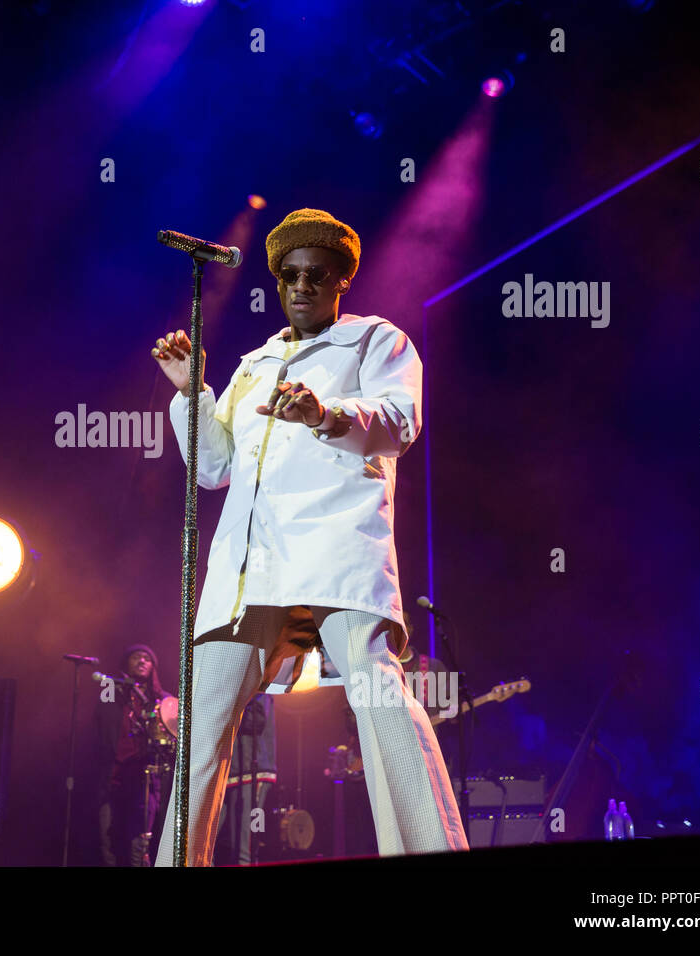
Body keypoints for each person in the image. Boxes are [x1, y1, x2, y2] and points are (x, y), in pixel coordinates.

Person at [150, 208, 468, 866]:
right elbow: (213, 468)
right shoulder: (255, 363)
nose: (300, 286)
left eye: (314, 274)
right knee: (201, 730)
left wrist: (325, 412)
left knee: (381, 700)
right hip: (252, 567)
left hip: (336, 552)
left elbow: (399, 421)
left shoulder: (377, 342)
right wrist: (192, 394)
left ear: (340, 279)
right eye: (287, 276)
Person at [94, 644, 174, 866]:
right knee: (106, 837)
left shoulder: (163, 702)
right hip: (113, 776)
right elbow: (101, 719)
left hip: (145, 780)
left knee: (139, 840)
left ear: (154, 667)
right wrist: (119, 689)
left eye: (147, 658)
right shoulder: (112, 691)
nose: (142, 661)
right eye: (136, 657)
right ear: (125, 663)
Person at [214, 693, 275, 866]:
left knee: (244, 849)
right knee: (204, 843)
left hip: (251, 773)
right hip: (227, 772)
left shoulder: (259, 687)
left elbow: (255, 720)